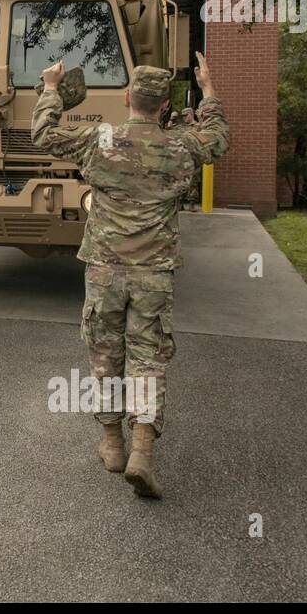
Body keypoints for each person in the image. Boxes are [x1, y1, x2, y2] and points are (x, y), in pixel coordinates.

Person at [32, 54, 228, 498]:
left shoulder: (101, 139)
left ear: (127, 98)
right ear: (164, 106)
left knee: (105, 356)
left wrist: (49, 88)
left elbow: (44, 134)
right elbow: (217, 138)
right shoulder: (181, 146)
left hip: (104, 270)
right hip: (153, 274)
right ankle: (142, 451)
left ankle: (112, 444)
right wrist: (209, 90)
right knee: (148, 358)